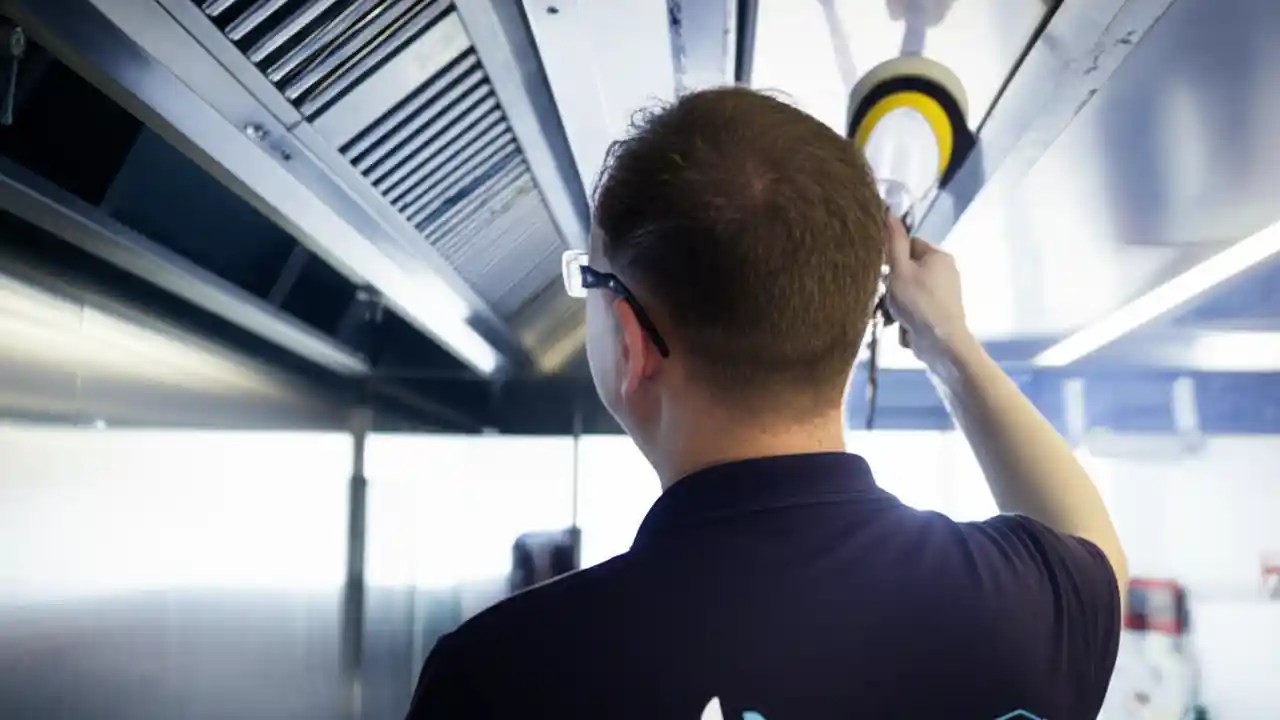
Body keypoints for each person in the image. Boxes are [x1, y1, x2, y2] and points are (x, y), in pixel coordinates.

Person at [407, 87, 1126, 719]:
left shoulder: (503, 678)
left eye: (591, 282)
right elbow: (1097, 561)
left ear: (632, 343)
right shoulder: (1027, 612)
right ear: (851, 320)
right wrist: (949, 343)